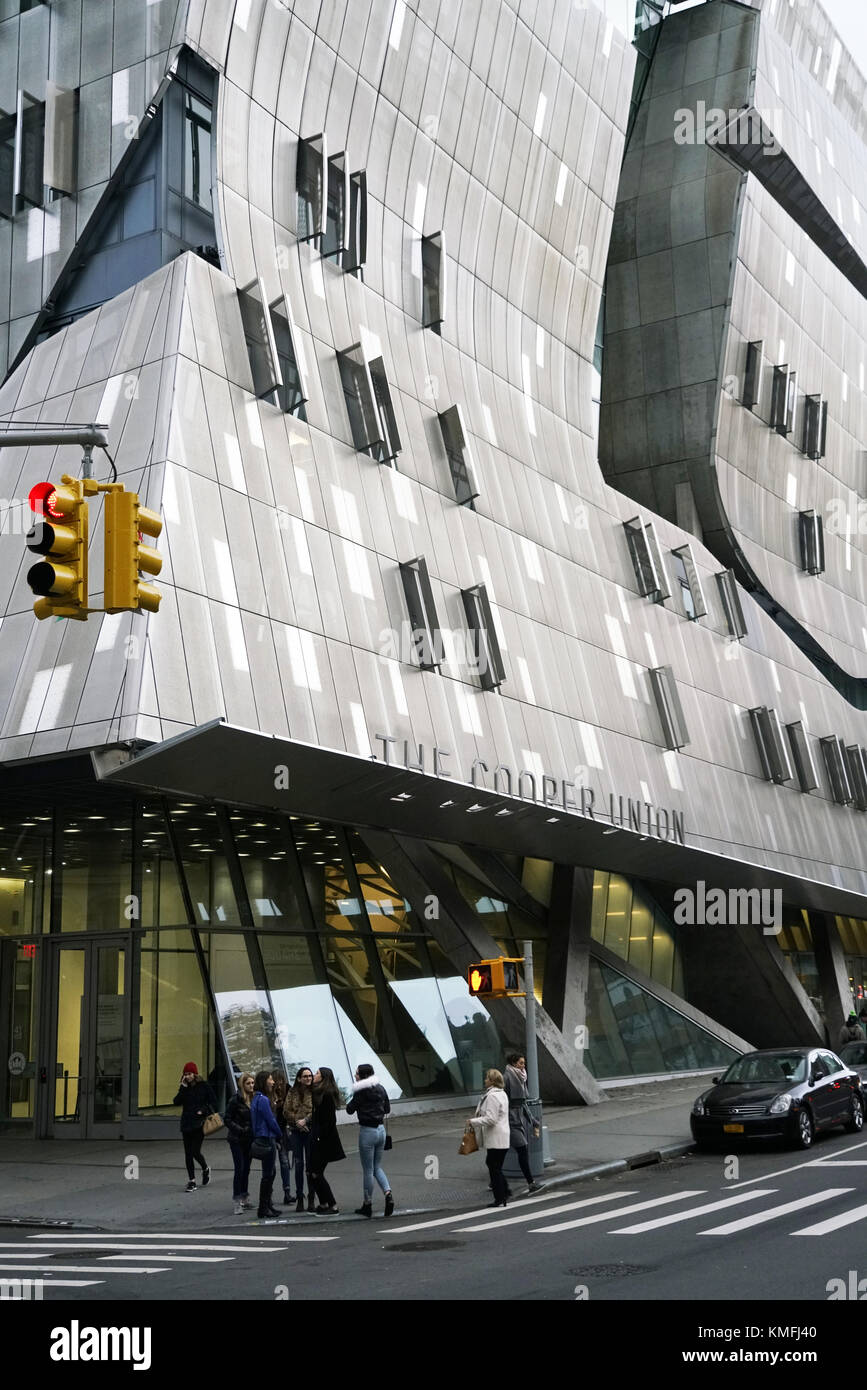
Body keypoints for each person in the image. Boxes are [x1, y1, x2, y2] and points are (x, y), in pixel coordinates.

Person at [345, 1063, 394, 1218]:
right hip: (381, 1130)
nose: (355, 1075)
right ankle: (388, 1194)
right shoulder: (381, 1088)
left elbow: (349, 1109)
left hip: (367, 1131)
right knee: (377, 1166)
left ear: (363, 1075)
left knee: (368, 1169)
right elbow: (387, 1109)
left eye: (357, 1073)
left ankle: (367, 1204)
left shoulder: (361, 1091)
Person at [172, 1062, 217, 1193]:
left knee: (195, 1151)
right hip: (186, 1124)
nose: (187, 1076)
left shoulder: (204, 1086)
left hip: (199, 1123)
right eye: (185, 1074)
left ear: (195, 1074)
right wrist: (182, 1087)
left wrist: (203, 1110)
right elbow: (176, 1102)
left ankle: (205, 1168)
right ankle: (192, 1180)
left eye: (189, 1074)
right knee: (188, 1153)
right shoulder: (184, 1088)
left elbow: (213, 1101)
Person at [469, 1069, 510, 1208]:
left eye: (487, 1078)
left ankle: (500, 1197)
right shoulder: (502, 1094)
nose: (485, 1080)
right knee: (495, 1165)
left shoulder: (492, 1096)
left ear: (492, 1081)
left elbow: (491, 1119)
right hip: (503, 1136)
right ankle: (505, 1192)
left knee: (494, 1167)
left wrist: (473, 1121)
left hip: (495, 1137)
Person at [503, 1052, 542, 1194]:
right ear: (513, 1063)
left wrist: (532, 1120)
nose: (523, 1065)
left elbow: (523, 1102)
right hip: (509, 1120)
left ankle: (494, 1181)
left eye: (524, 1063)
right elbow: (502, 1100)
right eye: (521, 1063)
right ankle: (531, 1183)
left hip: (517, 1118)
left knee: (501, 1152)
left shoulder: (520, 1076)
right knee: (522, 1150)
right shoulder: (507, 1077)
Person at [309, 1066, 345, 1214]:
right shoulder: (319, 1093)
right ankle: (324, 1203)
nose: (314, 1075)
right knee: (313, 1172)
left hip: (324, 1141)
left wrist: (319, 1136)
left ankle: (332, 1205)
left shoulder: (327, 1095)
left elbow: (329, 1121)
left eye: (317, 1073)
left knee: (316, 1172)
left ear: (323, 1077)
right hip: (321, 1138)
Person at [251, 1071, 283, 1220]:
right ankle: (264, 1207)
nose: (273, 1082)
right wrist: (280, 1134)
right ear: (264, 1081)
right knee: (268, 1174)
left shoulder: (256, 1098)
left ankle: (267, 1205)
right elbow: (271, 1120)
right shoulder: (263, 1099)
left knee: (270, 1172)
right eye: (270, 1079)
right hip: (267, 1137)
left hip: (261, 1136)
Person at [284, 1066, 315, 1213]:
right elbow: (286, 1111)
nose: (308, 1078)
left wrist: (306, 1121)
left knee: (310, 1165)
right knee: (298, 1165)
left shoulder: (315, 1091)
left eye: (310, 1076)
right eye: (305, 1076)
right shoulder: (292, 1092)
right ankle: (299, 1197)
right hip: (296, 1131)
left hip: (310, 1131)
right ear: (299, 1078)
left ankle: (311, 1197)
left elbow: (316, 1110)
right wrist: (298, 1122)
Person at [225, 1071, 254, 1214]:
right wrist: (240, 1130)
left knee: (246, 1168)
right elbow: (227, 1119)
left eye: (252, 1083)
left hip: (249, 1138)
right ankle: (237, 1200)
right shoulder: (235, 1100)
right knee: (240, 1168)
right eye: (248, 1083)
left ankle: (244, 1196)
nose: (251, 1086)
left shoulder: (254, 1098)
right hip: (236, 1138)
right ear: (242, 1085)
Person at [271, 1071, 293, 1205]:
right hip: (272, 1130)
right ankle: (269, 1195)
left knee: (284, 1162)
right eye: (276, 1083)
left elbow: (291, 1108)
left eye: (281, 1082)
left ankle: (287, 1192)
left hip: (282, 1129)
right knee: (271, 1164)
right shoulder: (269, 1093)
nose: (279, 1086)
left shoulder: (288, 1090)